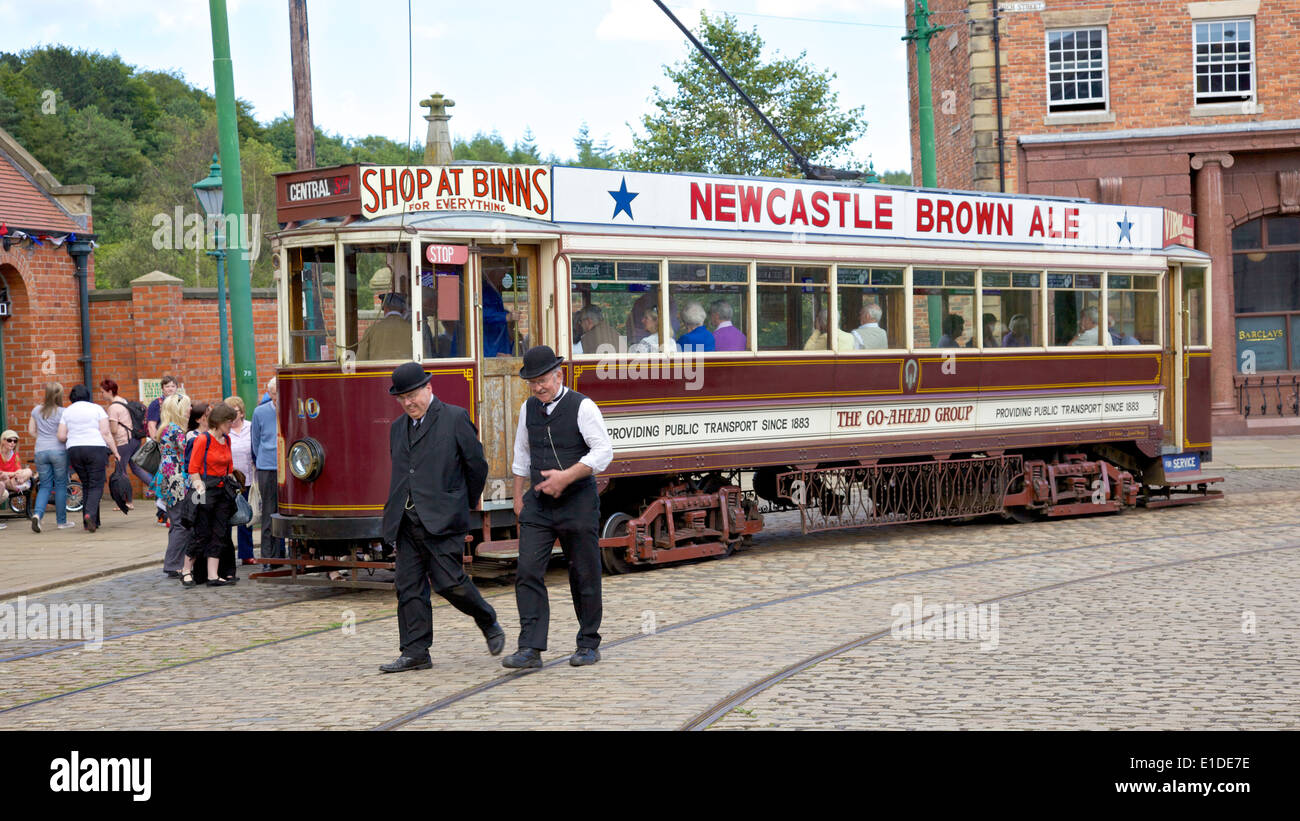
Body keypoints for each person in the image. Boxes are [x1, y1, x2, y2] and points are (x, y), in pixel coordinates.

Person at [378, 362, 503, 673]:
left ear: (429, 389)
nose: (408, 403)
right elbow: (403, 473)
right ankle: (415, 650)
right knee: (408, 586)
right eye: (402, 398)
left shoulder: (454, 418)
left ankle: (486, 617)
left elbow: (477, 467)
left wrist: (459, 502)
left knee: (448, 582)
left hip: (443, 519)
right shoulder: (397, 428)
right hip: (406, 521)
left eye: (413, 395)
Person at [504, 346, 614, 669]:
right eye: (532, 382)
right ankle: (530, 648)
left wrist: (566, 476)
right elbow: (521, 454)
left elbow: (603, 453)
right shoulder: (528, 409)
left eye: (543, 381)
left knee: (584, 573)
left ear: (558, 376)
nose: (538, 388)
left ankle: (588, 643)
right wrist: (518, 497)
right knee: (527, 570)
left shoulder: (583, 407)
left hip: (577, 502)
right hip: (538, 505)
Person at [180, 403, 239, 588]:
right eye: (229, 421)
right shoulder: (203, 439)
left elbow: (229, 468)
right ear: (219, 421)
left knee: (219, 533)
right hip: (205, 490)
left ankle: (213, 575)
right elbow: (193, 469)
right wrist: (200, 491)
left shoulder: (227, 440)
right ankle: (186, 570)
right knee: (201, 533)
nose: (231, 424)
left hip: (223, 492)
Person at [59, 385, 120, 533]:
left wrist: (75, 436)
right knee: (96, 484)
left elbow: (61, 436)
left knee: (86, 484)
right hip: (95, 448)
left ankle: (91, 522)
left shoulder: (67, 411)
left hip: (74, 449)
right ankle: (90, 515)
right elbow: (105, 433)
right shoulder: (97, 409)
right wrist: (115, 451)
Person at [153, 393, 193, 578]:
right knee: (181, 524)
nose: (189, 410)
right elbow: (187, 452)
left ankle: (173, 562)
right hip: (177, 478)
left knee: (176, 522)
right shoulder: (176, 430)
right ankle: (174, 563)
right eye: (187, 406)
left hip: (167, 477)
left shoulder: (165, 428)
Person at [28, 382, 73, 532]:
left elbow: (31, 431)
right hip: (59, 451)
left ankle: (37, 516)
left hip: (40, 450)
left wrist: (43, 438)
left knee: (45, 485)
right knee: (60, 485)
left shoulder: (36, 410)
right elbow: (66, 433)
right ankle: (61, 522)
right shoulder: (64, 412)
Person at [249, 377, 284, 562]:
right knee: (269, 512)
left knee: (286, 511)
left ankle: (282, 554)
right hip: (267, 466)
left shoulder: (291, 409)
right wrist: (262, 459)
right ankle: (268, 557)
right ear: (269, 393)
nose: (277, 396)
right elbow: (255, 442)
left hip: (288, 467)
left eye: (280, 392)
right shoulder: (260, 412)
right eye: (273, 393)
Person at [225, 394, 256, 565]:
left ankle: (246, 554)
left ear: (242, 412)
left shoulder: (250, 428)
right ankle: (226, 553)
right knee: (227, 519)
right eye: (230, 412)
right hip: (229, 480)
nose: (234, 415)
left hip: (248, 479)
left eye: (236, 411)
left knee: (246, 518)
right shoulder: (224, 431)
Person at [100, 379, 138, 510]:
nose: (102, 395)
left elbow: (114, 429)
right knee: (135, 469)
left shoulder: (113, 407)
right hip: (134, 439)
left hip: (123, 441)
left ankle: (128, 502)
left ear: (110, 391)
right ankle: (158, 492)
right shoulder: (124, 401)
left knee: (121, 471)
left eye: (103, 392)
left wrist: (103, 430)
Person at [357, 292, 412, 361]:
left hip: (378, 371)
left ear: (385, 308)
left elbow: (361, 359)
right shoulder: (412, 330)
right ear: (403, 309)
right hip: (405, 371)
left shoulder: (371, 330)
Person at [0, 430, 34, 527]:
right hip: (4, 480)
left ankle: (21, 484)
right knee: (4, 478)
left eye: (15, 441)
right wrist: (12, 473)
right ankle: (21, 486)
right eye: (10, 440)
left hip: (13, 480)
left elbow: (18, 470)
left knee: (28, 471)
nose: (12, 443)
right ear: (3, 441)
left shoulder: (14, 455)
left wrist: (19, 475)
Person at [482, 267, 514, 357]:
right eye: (503, 271)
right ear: (492, 272)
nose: (505, 275)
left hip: (499, 345)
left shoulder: (493, 290)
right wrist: (506, 317)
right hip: (490, 347)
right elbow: (482, 314)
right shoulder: (485, 291)